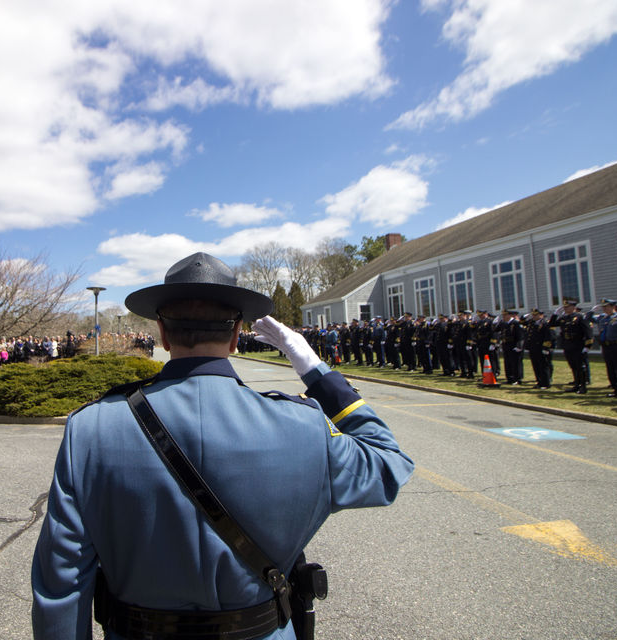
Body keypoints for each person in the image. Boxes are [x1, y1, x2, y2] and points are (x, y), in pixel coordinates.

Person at [31, 252, 414, 639]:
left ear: (162, 335)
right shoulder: (304, 425)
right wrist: (316, 372)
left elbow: (62, 583)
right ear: (235, 336)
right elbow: (388, 466)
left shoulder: (92, 428)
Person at [549, 299, 592, 394]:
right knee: (573, 366)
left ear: (573, 307)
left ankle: (583, 386)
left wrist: (588, 345)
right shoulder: (564, 318)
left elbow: (588, 331)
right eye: (564, 307)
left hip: (578, 344)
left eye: (567, 307)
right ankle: (576, 384)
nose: (565, 309)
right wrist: (555, 314)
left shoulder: (580, 317)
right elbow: (551, 324)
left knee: (580, 366)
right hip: (567, 344)